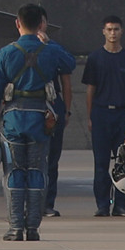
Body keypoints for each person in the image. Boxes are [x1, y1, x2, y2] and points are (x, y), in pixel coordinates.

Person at [0, 4, 75, 241]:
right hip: (41, 118)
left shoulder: (6, 52)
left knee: (13, 171)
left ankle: (15, 227)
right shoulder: (50, 51)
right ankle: (33, 228)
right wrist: (50, 42)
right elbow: (70, 64)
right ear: (41, 24)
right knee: (37, 171)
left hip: (13, 119)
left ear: (17, 23)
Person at [82, 15, 125, 217]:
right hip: (101, 113)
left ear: (122, 31)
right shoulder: (95, 58)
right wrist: (90, 116)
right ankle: (102, 204)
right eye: (109, 29)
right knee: (101, 163)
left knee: (124, 161)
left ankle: (121, 204)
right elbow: (90, 89)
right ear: (103, 32)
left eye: (116, 29)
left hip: (123, 114)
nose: (113, 33)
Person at [43, 64, 73, 217]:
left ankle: (47, 203)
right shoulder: (16, 53)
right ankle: (30, 203)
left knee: (52, 160)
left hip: (53, 103)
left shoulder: (55, 54)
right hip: (28, 104)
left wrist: (66, 111)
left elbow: (66, 80)